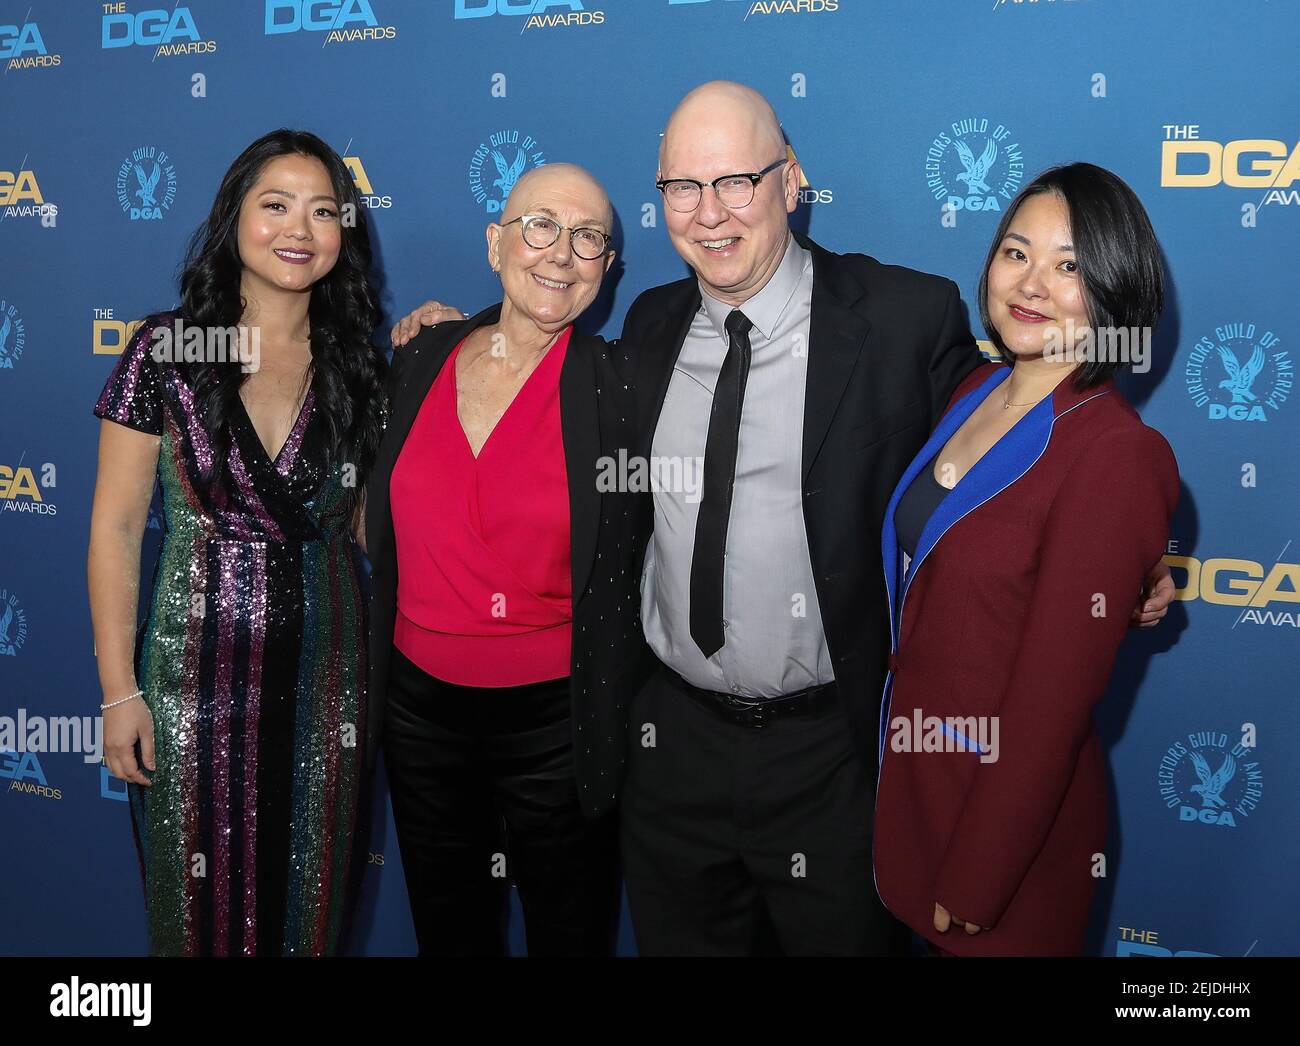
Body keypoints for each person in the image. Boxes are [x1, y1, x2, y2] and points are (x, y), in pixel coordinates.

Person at [391, 81, 1175, 957]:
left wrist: (1128, 562)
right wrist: (447, 332)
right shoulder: (647, 330)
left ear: (792, 181)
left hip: (830, 758)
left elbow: (1016, 445)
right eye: (682, 187)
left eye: (738, 181)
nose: (710, 213)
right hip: (668, 749)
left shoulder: (904, 319)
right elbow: (528, 382)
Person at [88, 129, 386, 956]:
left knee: (312, 917)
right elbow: (114, 530)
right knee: (195, 923)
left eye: (324, 211)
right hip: (189, 687)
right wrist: (120, 694)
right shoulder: (167, 349)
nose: (300, 229)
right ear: (234, 219)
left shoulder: (357, 362)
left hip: (330, 686)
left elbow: (366, 526)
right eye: (276, 204)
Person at [872, 164, 1179, 956]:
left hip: (1006, 854)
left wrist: (981, 877)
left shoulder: (1116, 453)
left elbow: (1051, 704)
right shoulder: (973, 391)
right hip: (914, 806)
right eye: (1017, 252)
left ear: (1114, 289)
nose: (1033, 282)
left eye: (1070, 265)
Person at [364, 164, 644, 955]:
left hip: (559, 722)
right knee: (449, 932)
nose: (561, 253)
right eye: (539, 226)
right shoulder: (420, 357)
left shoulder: (621, 387)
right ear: (496, 243)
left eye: (589, 239)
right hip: (418, 715)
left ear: (607, 268)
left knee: (570, 933)